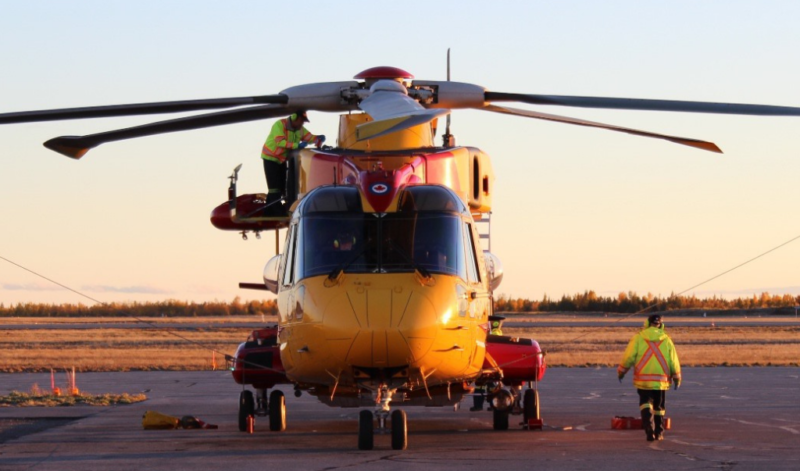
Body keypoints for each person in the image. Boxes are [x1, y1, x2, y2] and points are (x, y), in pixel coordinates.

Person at [617, 314, 682, 442]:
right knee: (659, 408)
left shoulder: (639, 338)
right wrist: (677, 377)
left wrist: (621, 372)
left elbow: (629, 357)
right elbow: (674, 361)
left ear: (646, 323)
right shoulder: (667, 339)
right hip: (660, 381)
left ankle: (649, 430)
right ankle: (659, 432)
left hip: (644, 380)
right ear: (661, 325)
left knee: (645, 404)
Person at [260, 111, 325, 215]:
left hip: (281, 159)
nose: (302, 124)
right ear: (295, 118)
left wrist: (318, 138)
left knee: (281, 186)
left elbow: (309, 137)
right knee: (274, 187)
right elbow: (279, 142)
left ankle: (271, 210)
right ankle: (275, 210)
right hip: (270, 158)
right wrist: (296, 146)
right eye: (301, 121)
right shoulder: (280, 125)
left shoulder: (299, 129)